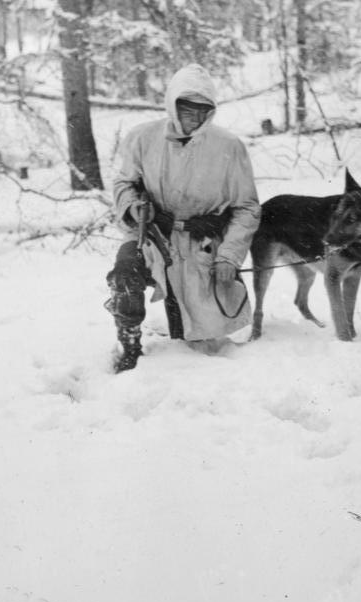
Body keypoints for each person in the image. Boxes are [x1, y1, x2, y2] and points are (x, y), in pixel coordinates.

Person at [106, 63, 261, 372]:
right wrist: (134, 206)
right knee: (125, 273)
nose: (196, 118)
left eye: (204, 111)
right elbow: (124, 183)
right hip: (153, 235)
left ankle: (191, 354)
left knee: (198, 331)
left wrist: (229, 256)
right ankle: (129, 344)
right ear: (173, 105)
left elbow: (247, 207)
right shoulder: (143, 138)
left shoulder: (229, 147)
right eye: (188, 109)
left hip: (202, 240)